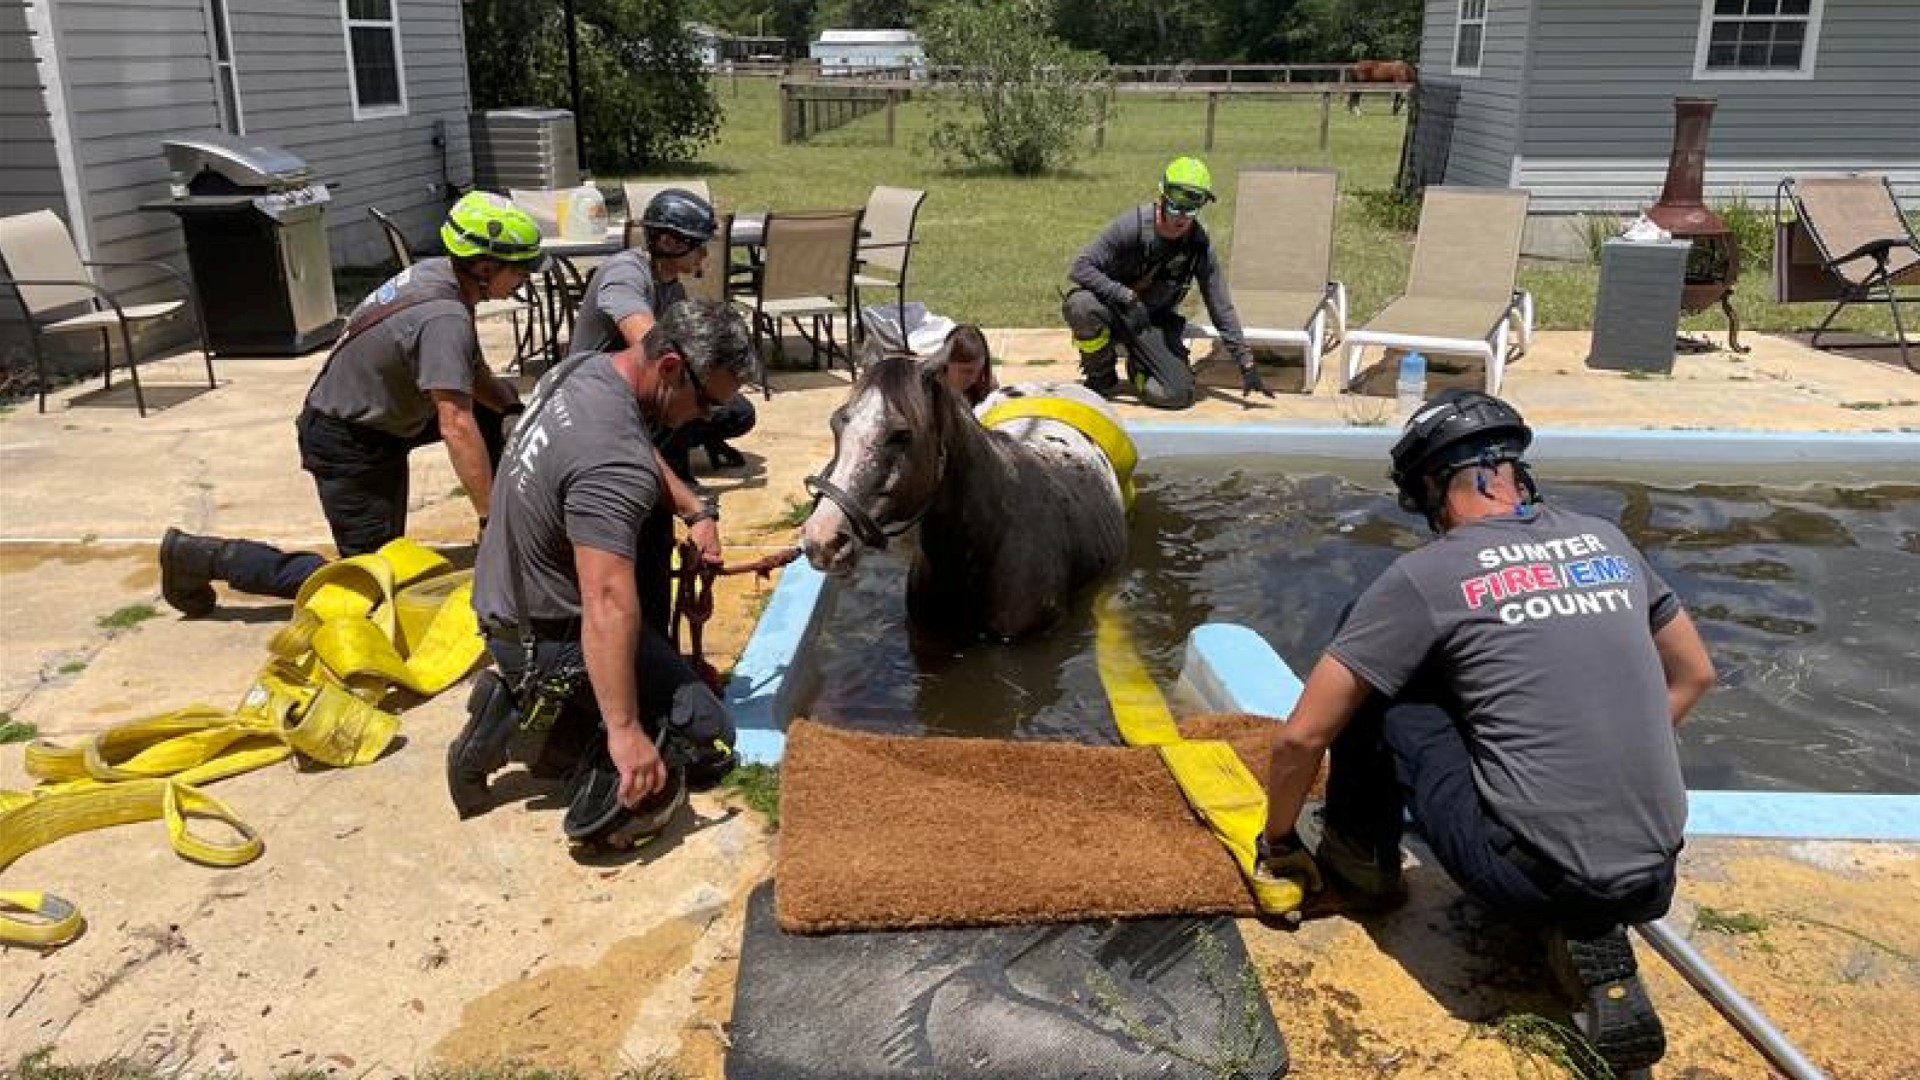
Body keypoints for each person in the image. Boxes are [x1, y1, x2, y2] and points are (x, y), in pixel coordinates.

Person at [1256, 390, 1715, 1077]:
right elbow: (1695, 675)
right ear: (1514, 472)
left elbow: (1300, 739)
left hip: (1521, 876)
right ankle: (1584, 923)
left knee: (1386, 687)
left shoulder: (1426, 573)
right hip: (1655, 872)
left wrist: (1279, 840)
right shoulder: (1607, 539)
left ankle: (1359, 861)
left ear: (1431, 489)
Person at [449, 299, 756, 847]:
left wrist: (695, 509)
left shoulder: (585, 369)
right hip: (549, 633)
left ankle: (529, 701)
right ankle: (550, 729)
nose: (706, 419)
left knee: (653, 670)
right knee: (710, 739)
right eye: (707, 403)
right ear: (669, 368)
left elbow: (634, 446)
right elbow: (607, 603)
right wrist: (625, 731)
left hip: (506, 601)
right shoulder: (611, 464)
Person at [158, 192, 543, 616]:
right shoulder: (443, 317)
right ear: (485, 268)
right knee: (368, 587)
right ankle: (199, 557)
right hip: (347, 441)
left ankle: (521, 521)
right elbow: (455, 423)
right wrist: (490, 521)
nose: (525, 279)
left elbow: (470, 376)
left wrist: (509, 408)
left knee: (497, 411)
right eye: (521, 269)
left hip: (386, 419)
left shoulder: (440, 275)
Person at [570, 187, 756, 482]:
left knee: (737, 412)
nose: (705, 254)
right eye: (698, 245)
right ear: (668, 242)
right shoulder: (625, 274)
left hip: (635, 391)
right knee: (680, 389)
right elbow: (652, 346)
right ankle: (664, 477)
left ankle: (667, 453)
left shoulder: (671, 286)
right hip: (596, 397)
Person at [1062, 156, 1270, 408]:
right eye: (1174, 207)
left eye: (1190, 210)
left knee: (1178, 395)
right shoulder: (1132, 226)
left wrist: (1245, 361)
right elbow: (1080, 267)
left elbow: (1220, 305)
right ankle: (1101, 374)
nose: (1180, 218)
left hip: (1153, 325)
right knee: (1080, 305)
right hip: (1114, 312)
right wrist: (1122, 294)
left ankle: (1139, 370)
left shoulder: (1199, 246)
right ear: (1162, 196)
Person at [941, 324, 997, 407]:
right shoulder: (926, 393)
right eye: (966, 371)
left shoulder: (986, 383)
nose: (974, 379)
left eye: (980, 370)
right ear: (946, 361)